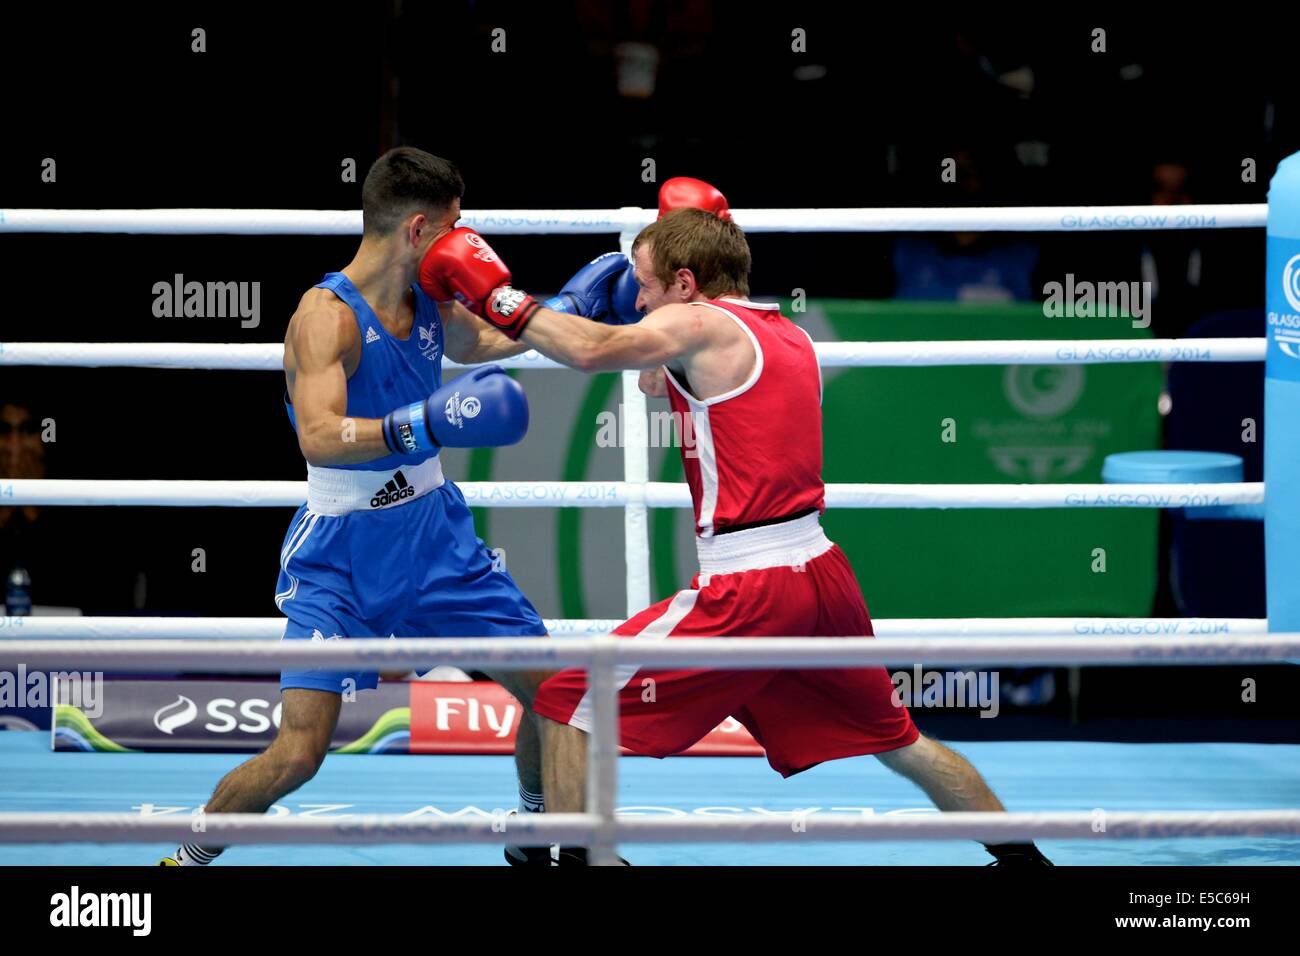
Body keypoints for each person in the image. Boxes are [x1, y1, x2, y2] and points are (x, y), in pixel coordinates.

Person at [419, 177, 1053, 866]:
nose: (639, 299)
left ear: (687, 283)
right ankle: (1025, 858)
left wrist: (500, 296)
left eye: (648, 284)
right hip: (820, 575)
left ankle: (583, 860)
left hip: (751, 585)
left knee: (569, 701)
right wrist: (574, 310)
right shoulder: (785, 334)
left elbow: (595, 353)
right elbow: (648, 375)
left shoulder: (698, 324)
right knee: (900, 743)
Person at [159, 147, 556, 866]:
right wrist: (421, 425)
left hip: (437, 539)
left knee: (554, 689)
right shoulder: (324, 317)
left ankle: (531, 830)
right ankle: (184, 858)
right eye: (453, 225)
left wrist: (566, 314)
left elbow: (481, 341)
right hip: (342, 554)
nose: (464, 241)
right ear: (415, 228)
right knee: (299, 753)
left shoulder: (433, 297)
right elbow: (318, 435)